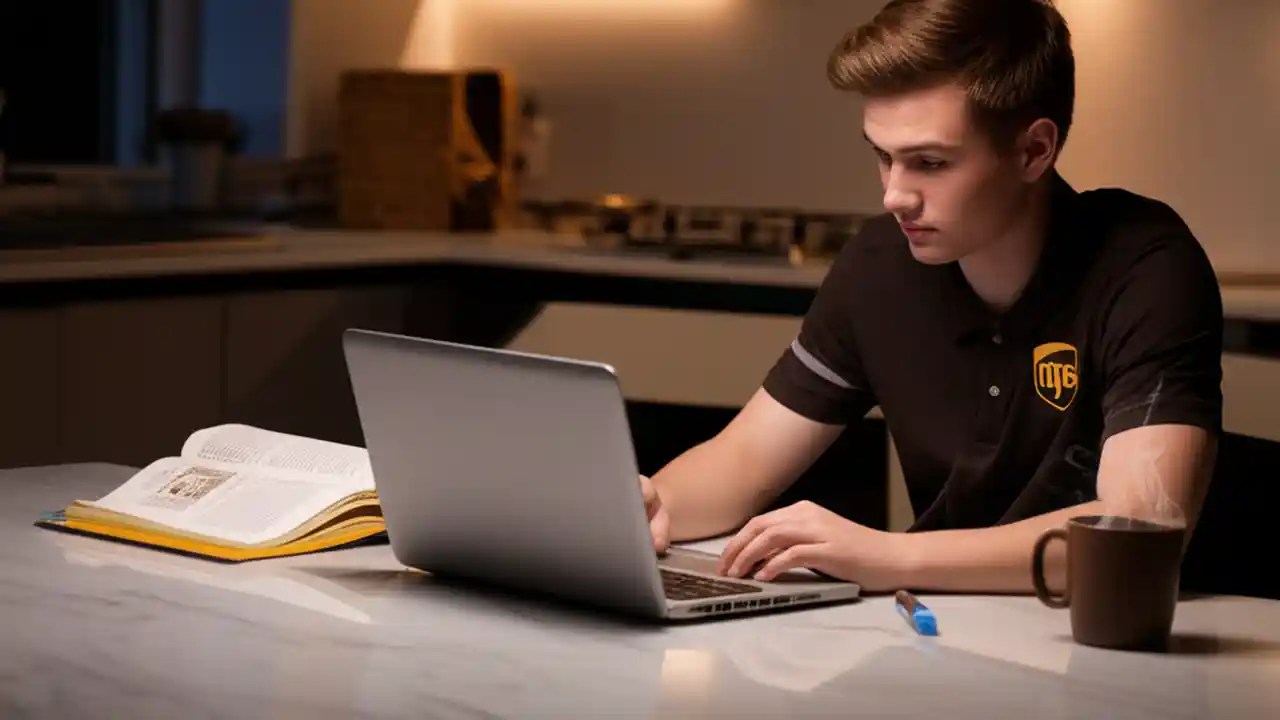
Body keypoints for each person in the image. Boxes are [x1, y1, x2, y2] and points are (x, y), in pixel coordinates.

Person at [641, 0, 1222, 594]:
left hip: (1122, 657)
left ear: (1034, 151)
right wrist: (645, 505)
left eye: (930, 163)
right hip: (943, 638)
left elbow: (1141, 530)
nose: (895, 195)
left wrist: (887, 556)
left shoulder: (1146, 266)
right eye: (882, 157)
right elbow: (742, 462)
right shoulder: (877, 265)